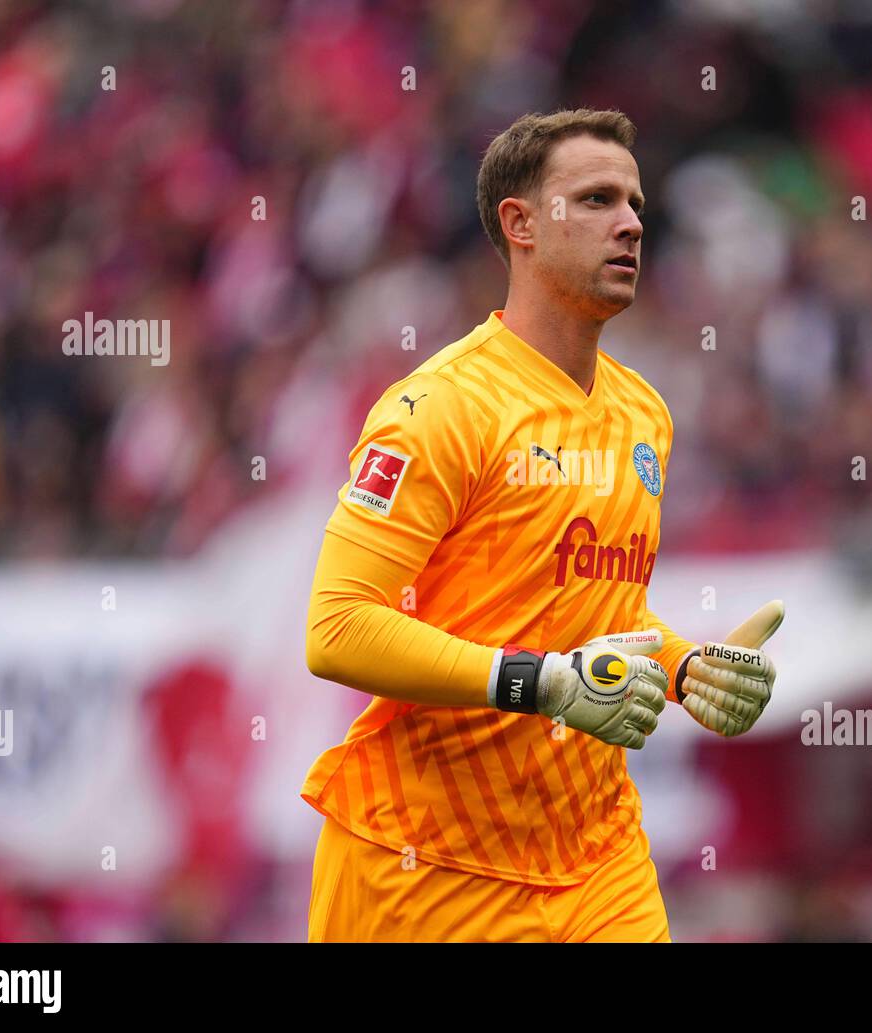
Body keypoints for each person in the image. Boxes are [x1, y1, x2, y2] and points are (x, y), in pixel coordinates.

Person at [301, 108, 782, 942]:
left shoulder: (644, 415)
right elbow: (337, 629)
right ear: (520, 225)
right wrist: (540, 684)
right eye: (597, 200)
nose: (631, 222)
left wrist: (687, 668)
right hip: (426, 864)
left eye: (635, 203)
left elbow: (594, 614)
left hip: (597, 861)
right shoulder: (438, 410)